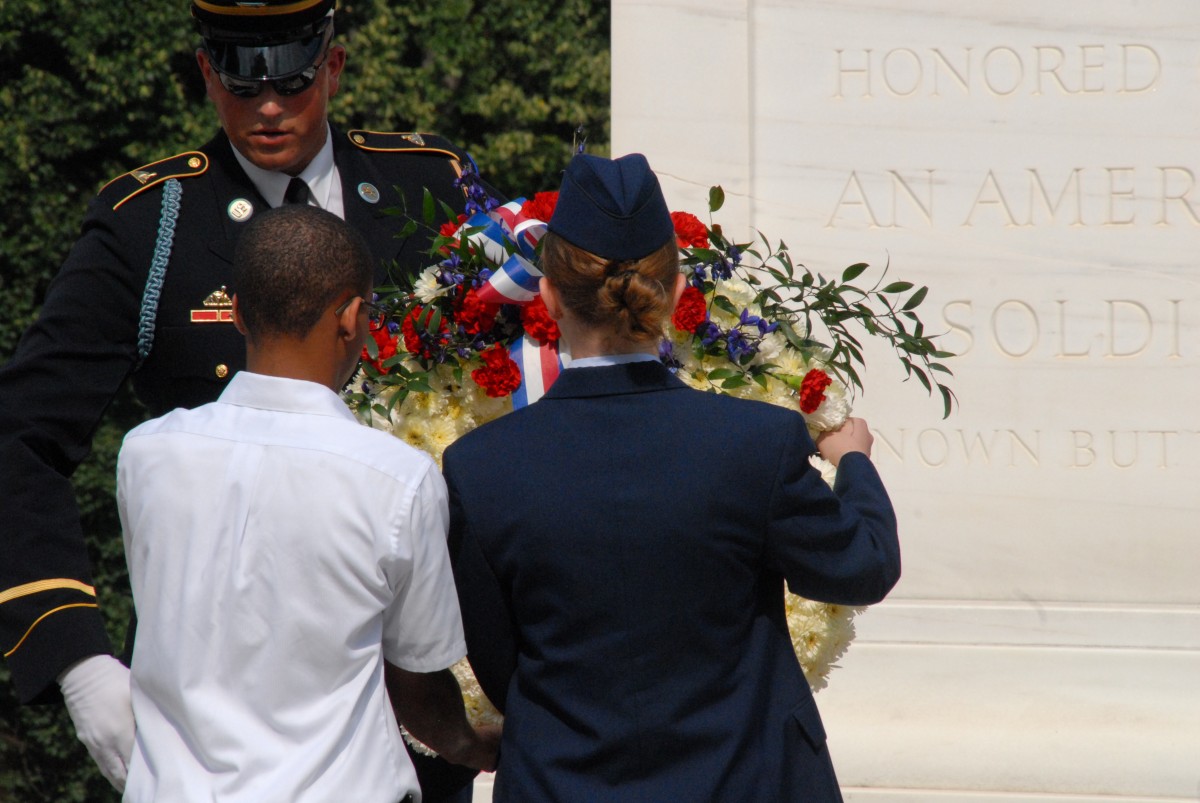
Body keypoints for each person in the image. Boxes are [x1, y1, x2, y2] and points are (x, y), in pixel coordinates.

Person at [0, 0, 487, 796]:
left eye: (291, 82)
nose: (266, 108)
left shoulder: (430, 187)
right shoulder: (151, 224)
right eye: (239, 82)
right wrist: (77, 658)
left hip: (417, 697)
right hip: (217, 716)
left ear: (332, 65)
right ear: (204, 73)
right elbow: (20, 437)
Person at [442, 153, 902, 801]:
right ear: (679, 291)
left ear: (546, 295)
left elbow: (500, 663)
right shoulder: (756, 443)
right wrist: (853, 459)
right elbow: (860, 566)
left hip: (565, 781)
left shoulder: (480, 466)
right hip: (744, 779)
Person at [116, 204, 498, 801]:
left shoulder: (145, 453)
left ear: (238, 313)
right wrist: (475, 745)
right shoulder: (396, 478)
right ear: (350, 317)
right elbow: (419, 688)